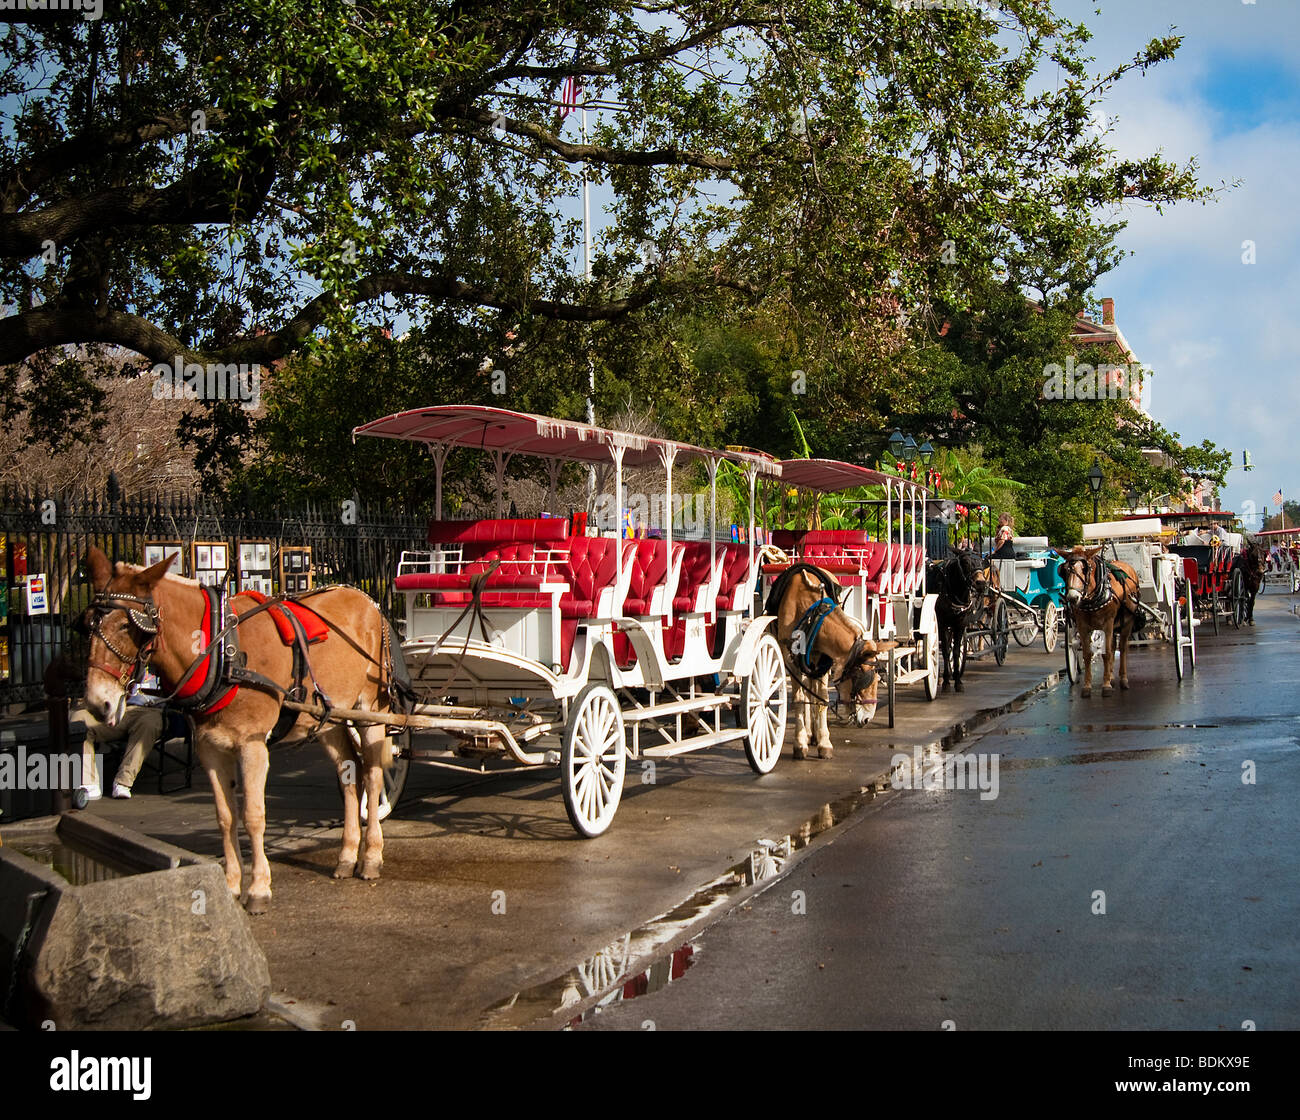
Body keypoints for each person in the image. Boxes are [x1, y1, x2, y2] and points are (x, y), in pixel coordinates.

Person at [81, 669, 165, 799]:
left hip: (153, 709)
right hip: (123, 708)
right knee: (80, 720)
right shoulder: (128, 663)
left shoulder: (165, 664)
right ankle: (89, 782)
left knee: (148, 724)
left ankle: (123, 782)